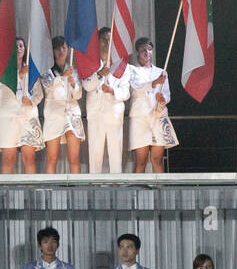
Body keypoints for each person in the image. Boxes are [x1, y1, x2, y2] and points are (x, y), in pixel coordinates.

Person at [0, 36, 44, 174]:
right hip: (8, 116)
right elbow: (3, 85)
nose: (19, 49)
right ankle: (6, 193)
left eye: (21, 46)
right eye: (15, 46)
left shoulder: (31, 68)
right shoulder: (2, 68)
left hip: (28, 115)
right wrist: (19, 75)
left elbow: (39, 93)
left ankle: (32, 194)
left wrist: (31, 101)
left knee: (29, 158)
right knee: (8, 158)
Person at [126, 37, 178, 173]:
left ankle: (159, 191)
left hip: (157, 117)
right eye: (143, 50)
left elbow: (167, 95)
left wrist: (162, 100)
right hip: (140, 118)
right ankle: (137, 192)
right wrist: (154, 83)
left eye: (149, 49)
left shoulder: (161, 72)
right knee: (141, 160)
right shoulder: (132, 70)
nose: (146, 52)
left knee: (157, 159)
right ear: (137, 52)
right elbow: (137, 87)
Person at [83, 27, 131, 174]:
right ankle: (94, 185)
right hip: (95, 113)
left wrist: (112, 91)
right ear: (97, 42)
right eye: (103, 39)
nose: (106, 42)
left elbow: (125, 92)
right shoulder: (90, 63)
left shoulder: (122, 66)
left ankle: (117, 183)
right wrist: (99, 74)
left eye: (109, 40)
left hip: (113, 112)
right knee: (95, 152)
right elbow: (86, 85)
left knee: (115, 151)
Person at [42, 36, 85, 174]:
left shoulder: (74, 70)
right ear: (52, 51)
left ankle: (76, 192)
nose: (61, 51)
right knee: (52, 158)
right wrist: (62, 77)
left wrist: (73, 83)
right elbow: (48, 86)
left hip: (72, 113)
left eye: (64, 47)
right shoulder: (47, 70)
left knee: (74, 158)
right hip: (54, 114)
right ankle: (50, 193)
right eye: (58, 48)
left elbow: (78, 95)